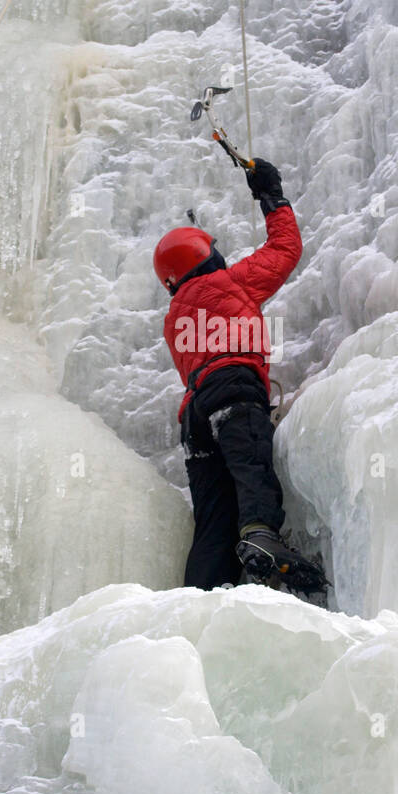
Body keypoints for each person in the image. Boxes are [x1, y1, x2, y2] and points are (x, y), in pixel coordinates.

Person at [154, 159, 326, 594]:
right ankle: (260, 535)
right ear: (205, 255)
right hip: (234, 389)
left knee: (214, 515)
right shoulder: (231, 283)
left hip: (194, 417)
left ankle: (203, 593)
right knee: (251, 465)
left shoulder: (174, 318)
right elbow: (285, 250)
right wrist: (271, 195)